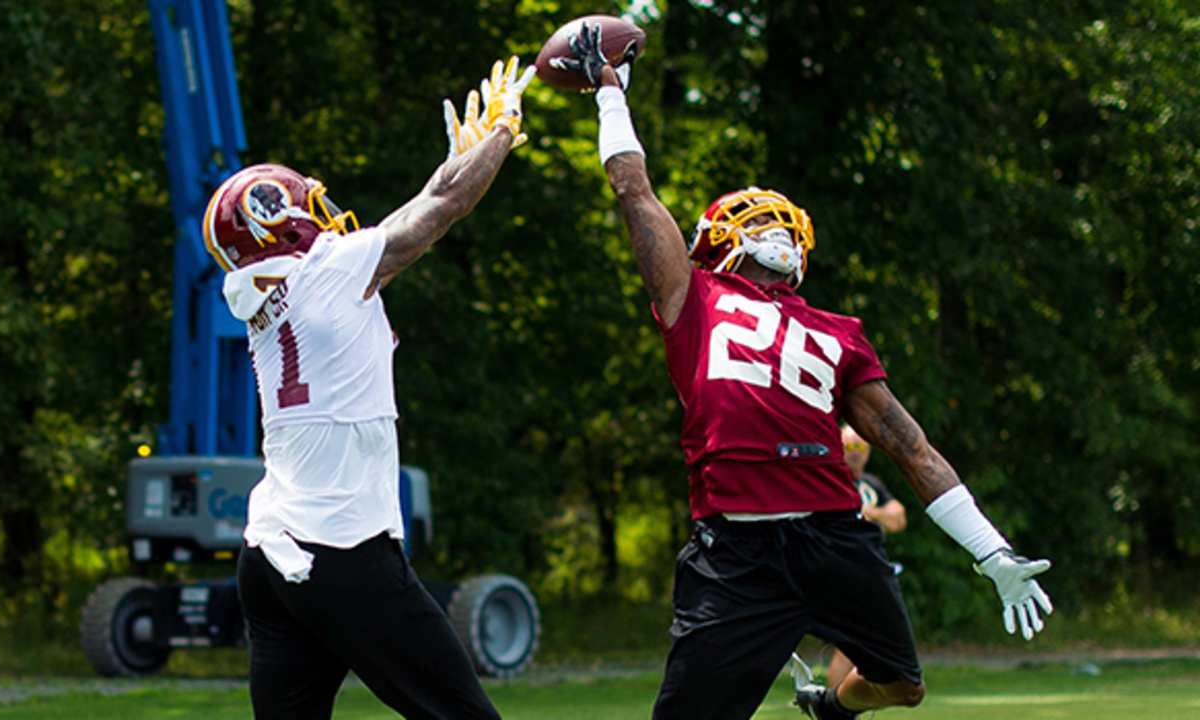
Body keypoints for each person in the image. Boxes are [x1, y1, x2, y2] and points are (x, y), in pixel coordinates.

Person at [558, 22, 1054, 720]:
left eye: (782, 223)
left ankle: (835, 707)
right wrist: (610, 94)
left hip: (832, 535)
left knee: (904, 686)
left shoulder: (836, 331)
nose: (776, 231)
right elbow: (635, 192)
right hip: (736, 550)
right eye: (756, 220)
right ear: (717, 245)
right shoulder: (691, 298)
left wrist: (993, 551)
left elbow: (910, 448)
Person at [200, 57, 534, 720]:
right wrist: (499, 135)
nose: (320, 213)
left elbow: (412, 212)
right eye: (304, 204)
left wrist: (452, 161)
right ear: (279, 221)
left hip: (269, 553)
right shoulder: (327, 271)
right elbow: (439, 210)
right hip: (343, 549)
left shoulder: (267, 295)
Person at [826, 424, 907, 689]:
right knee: (849, 644)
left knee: (864, 645)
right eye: (849, 446)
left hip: (870, 570)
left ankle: (839, 705)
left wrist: (870, 513)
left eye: (860, 446)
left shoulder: (872, 485)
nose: (855, 453)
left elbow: (898, 519)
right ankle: (834, 708)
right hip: (840, 570)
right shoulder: (829, 480)